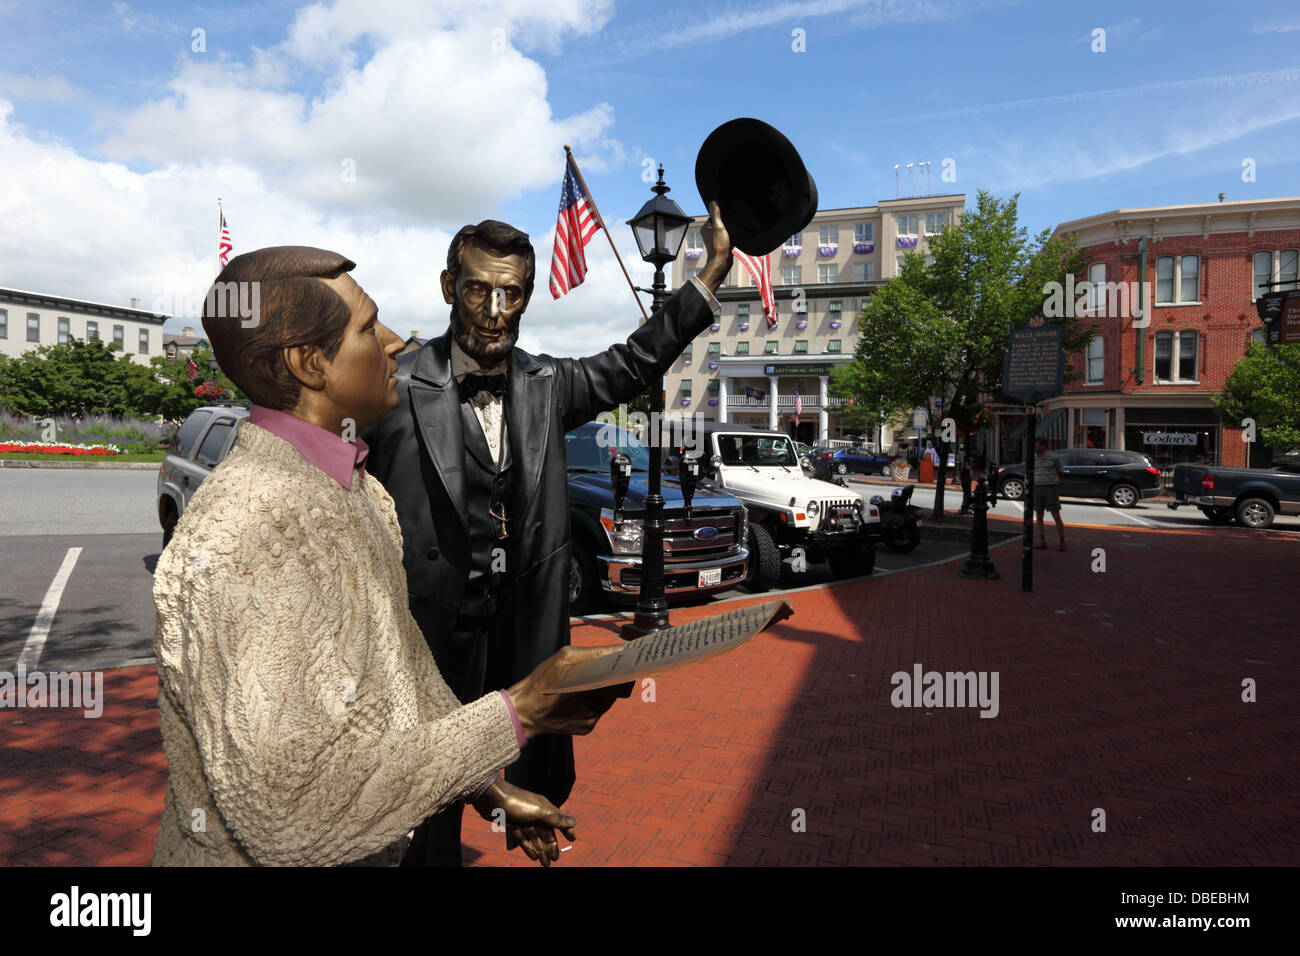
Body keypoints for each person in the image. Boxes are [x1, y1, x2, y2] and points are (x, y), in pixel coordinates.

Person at [152, 246, 630, 867]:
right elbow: (290, 813)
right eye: (366, 326)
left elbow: (403, 686)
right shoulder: (246, 534)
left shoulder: (364, 494)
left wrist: (490, 787)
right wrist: (522, 711)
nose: (397, 341)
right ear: (308, 362)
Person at [360, 203, 734, 866]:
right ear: (450, 288)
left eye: (513, 293)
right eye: (479, 290)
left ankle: (521, 812)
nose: (495, 308)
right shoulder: (393, 390)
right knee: (427, 808)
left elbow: (634, 361)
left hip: (521, 631)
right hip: (427, 639)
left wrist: (705, 280)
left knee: (530, 772)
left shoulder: (548, 384)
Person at [1032, 438, 1066, 551]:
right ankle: (1042, 541)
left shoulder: (1054, 457)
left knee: (1056, 515)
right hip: (1037, 488)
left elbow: (1060, 471)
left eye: (1036, 445)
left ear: (1043, 446)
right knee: (1039, 515)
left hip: (1050, 488)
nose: (1034, 447)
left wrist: (1052, 481)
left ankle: (1062, 541)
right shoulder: (1033, 458)